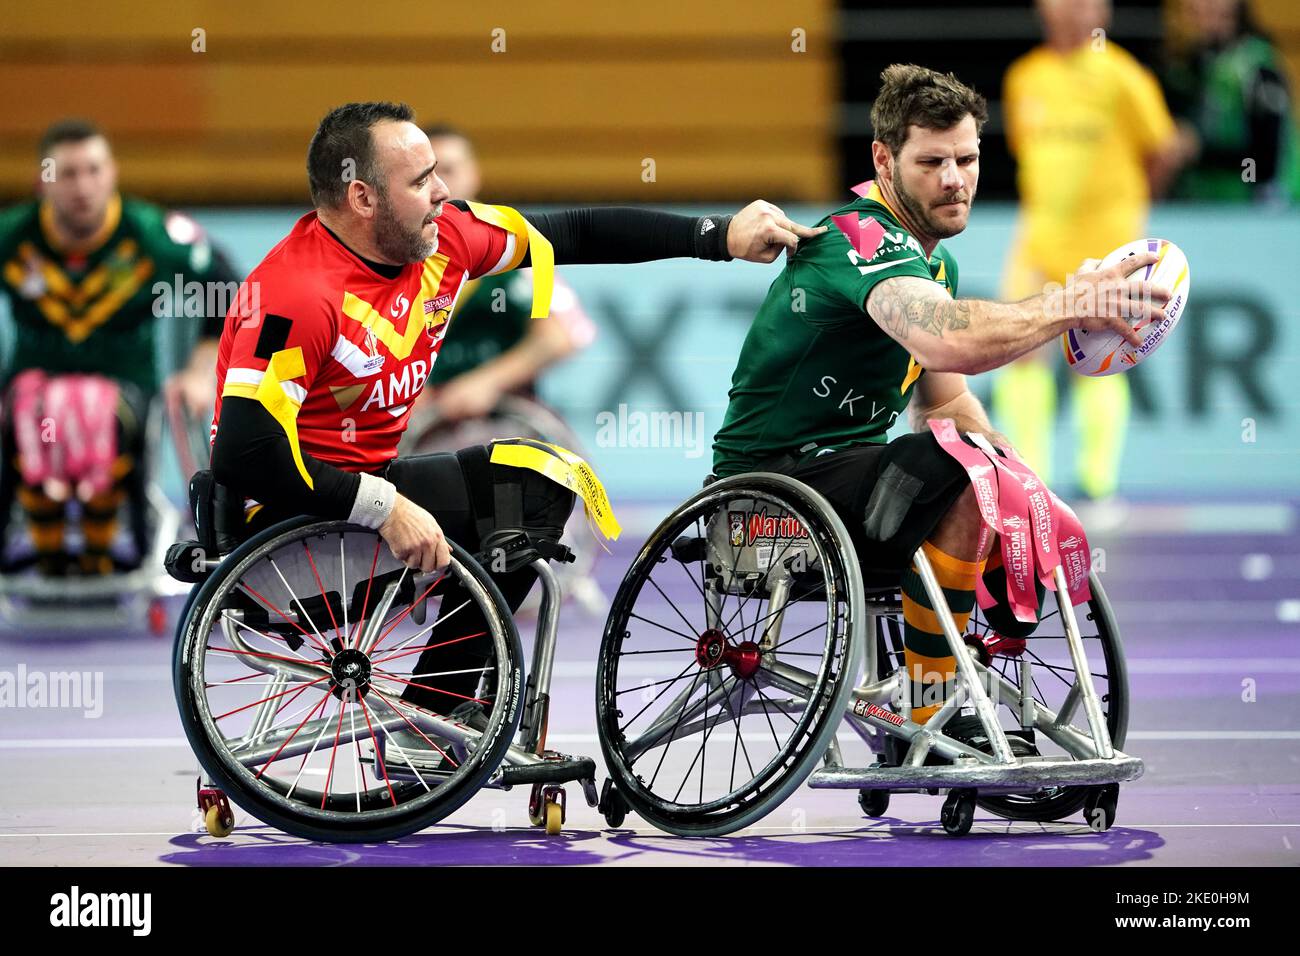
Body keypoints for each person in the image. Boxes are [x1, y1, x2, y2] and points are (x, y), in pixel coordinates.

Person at [207, 100, 824, 765]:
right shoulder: (294, 294)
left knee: (540, 480)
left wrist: (717, 235)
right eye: (420, 182)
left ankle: (433, 712)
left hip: (362, 502)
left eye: (438, 173)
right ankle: (436, 720)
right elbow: (243, 454)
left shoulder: (446, 241)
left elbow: (577, 232)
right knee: (499, 509)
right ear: (362, 196)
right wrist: (386, 508)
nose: (443, 192)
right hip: (280, 536)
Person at [711, 64, 1168, 726]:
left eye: (967, 158)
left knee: (993, 473)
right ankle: (930, 704)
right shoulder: (858, 238)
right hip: (771, 489)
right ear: (883, 159)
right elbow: (947, 340)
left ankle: (932, 692)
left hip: (850, 487)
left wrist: (1018, 485)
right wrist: (1069, 303)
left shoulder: (935, 262)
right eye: (932, 162)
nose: (955, 179)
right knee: (960, 473)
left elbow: (948, 402)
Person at [0, 119, 237, 575]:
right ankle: (52, 543)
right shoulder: (13, 237)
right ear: (41, 182)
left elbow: (232, 292)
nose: (83, 186)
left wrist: (200, 368)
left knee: (91, 410)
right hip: (28, 395)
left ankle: (98, 545)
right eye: (67, 174)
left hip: (125, 395)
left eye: (94, 170)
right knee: (38, 410)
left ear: (112, 174)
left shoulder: (153, 236)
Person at [992, 0, 1192, 514]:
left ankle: (1098, 485)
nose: (1073, 10)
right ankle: (1029, 483)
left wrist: (1131, 213)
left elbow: (1163, 148)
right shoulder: (1024, 77)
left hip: (1107, 248)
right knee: (1018, 351)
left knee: (1102, 355)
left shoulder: (1124, 76)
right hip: (1038, 238)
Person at [418, 124, 595, 423]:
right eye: (426, 175)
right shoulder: (394, 258)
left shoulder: (514, 245)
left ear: (474, 174)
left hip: (508, 426)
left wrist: (487, 382)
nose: (440, 186)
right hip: (419, 434)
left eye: (449, 170)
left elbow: (563, 335)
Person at [1163, 0, 1300, 204]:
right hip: (1209, 201)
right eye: (1192, 9)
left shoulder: (1257, 64)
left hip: (1260, 205)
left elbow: (1263, 156)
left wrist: (1199, 152)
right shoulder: (1193, 65)